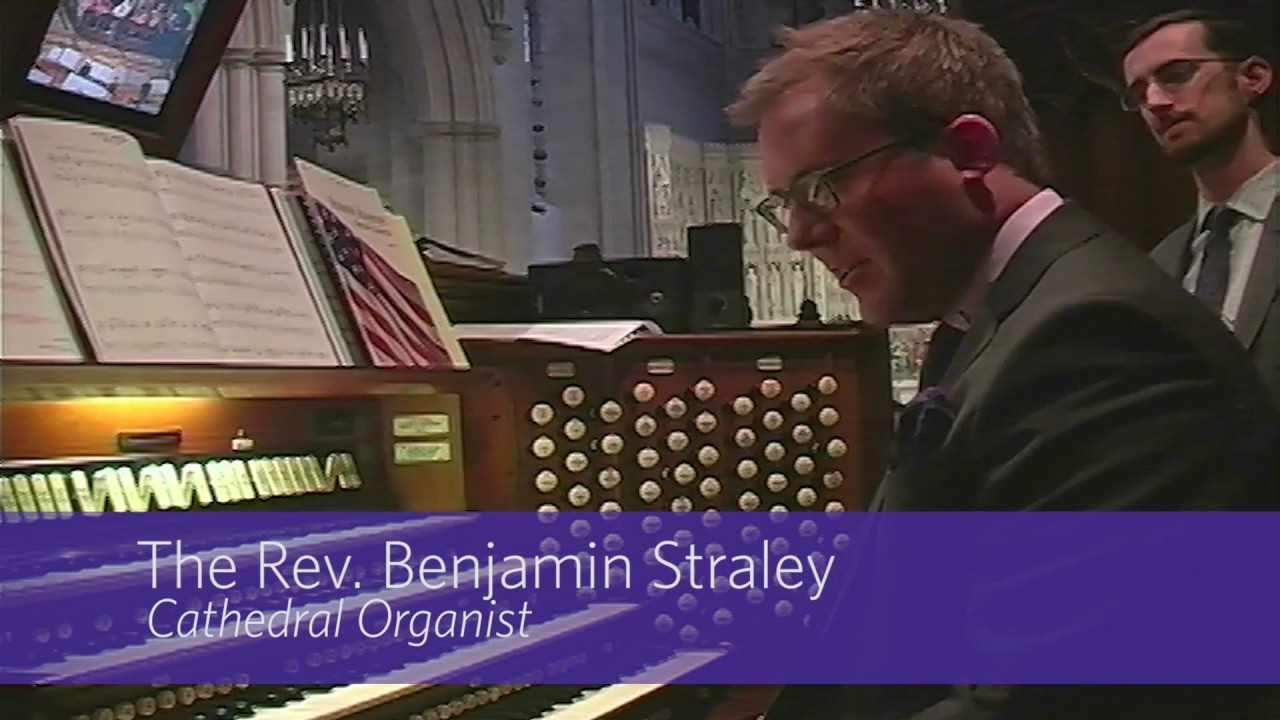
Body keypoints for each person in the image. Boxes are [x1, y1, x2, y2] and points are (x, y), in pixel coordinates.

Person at [726, 9, 1279, 720]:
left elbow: (1045, 698)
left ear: (968, 153)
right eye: (785, 206)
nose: (802, 235)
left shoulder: (1097, 336)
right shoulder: (1003, 312)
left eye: (822, 188)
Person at [1120, 9, 1279, 409]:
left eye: (1177, 74)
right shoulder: (1157, 266)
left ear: (1253, 78)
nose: (1155, 102)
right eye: (1139, 94)